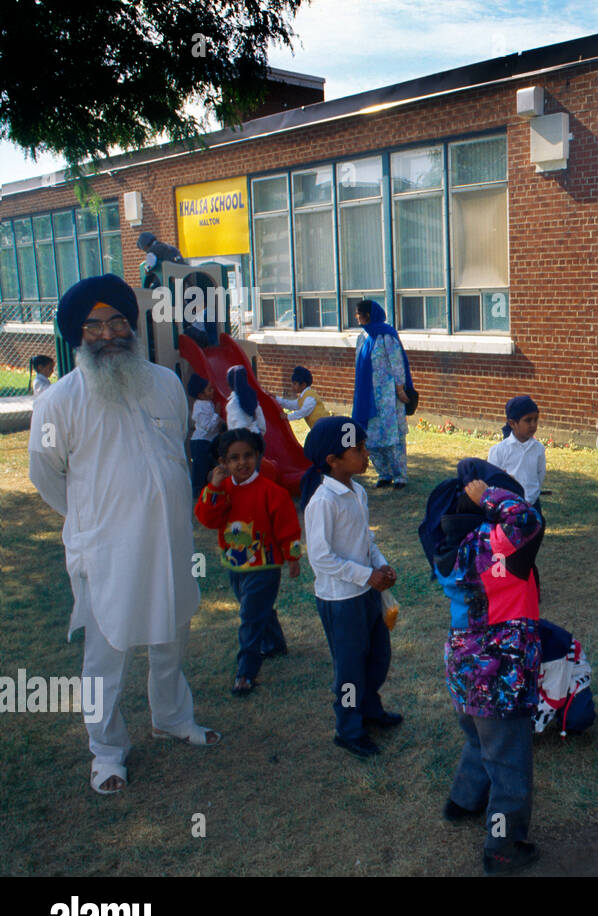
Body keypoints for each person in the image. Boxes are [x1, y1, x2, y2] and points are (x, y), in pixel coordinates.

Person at [28, 275, 220, 795]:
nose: (108, 333)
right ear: (76, 336)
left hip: (169, 541)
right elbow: (46, 474)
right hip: (104, 549)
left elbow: (176, 445)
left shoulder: (163, 381)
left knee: (171, 633)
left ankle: (172, 717)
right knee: (105, 653)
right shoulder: (59, 403)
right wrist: (94, 519)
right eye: (94, 325)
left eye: (117, 321)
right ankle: (106, 752)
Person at [421, 458, 544, 876]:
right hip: (501, 676)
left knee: (478, 739)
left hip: (463, 670)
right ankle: (503, 847)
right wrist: (489, 494)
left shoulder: (446, 549)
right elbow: (527, 520)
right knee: (509, 764)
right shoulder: (492, 545)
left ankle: (463, 801)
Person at [300, 416, 401, 758]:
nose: (366, 454)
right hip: (340, 600)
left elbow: (366, 539)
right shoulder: (323, 502)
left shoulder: (357, 492)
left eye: (364, 446)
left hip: (365, 595)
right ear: (333, 460)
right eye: (358, 449)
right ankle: (348, 728)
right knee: (350, 667)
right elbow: (321, 559)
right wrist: (365, 576)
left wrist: (380, 565)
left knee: (377, 657)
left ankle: (369, 709)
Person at [194, 428, 302, 695]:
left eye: (247, 456)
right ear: (223, 462)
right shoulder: (222, 490)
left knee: (249, 616)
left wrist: (293, 557)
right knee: (254, 607)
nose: (241, 463)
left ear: (257, 457)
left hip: (264, 566)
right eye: (233, 458)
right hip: (235, 564)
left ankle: (245, 673)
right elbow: (208, 519)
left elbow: (288, 527)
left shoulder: (272, 492)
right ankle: (275, 643)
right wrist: (214, 488)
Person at [352, 300, 413, 490]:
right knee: (371, 437)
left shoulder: (386, 336)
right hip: (367, 397)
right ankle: (384, 474)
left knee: (392, 436)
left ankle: (400, 475)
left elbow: (397, 363)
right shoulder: (363, 338)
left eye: (358, 313)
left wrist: (400, 389)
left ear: (368, 315)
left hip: (388, 397)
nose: (356, 317)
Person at [488, 394, 546, 509]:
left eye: (536, 420)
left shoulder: (538, 449)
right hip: (509, 505)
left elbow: (540, 474)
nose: (533, 425)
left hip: (533, 504)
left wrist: (533, 494)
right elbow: (492, 480)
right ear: (512, 423)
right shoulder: (499, 450)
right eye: (528, 420)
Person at [187, 373, 222, 499]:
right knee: (200, 471)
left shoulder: (208, 403)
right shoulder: (199, 407)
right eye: (209, 389)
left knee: (209, 468)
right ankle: (197, 496)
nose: (212, 391)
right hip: (200, 443)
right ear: (201, 394)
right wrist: (217, 415)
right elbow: (208, 427)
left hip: (208, 441)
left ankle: (208, 494)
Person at [225, 364, 266, 435]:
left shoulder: (232, 404)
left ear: (229, 385)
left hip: (240, 440)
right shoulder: (252, 397)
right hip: (256, 435)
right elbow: (261, 424)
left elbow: (239, 425)